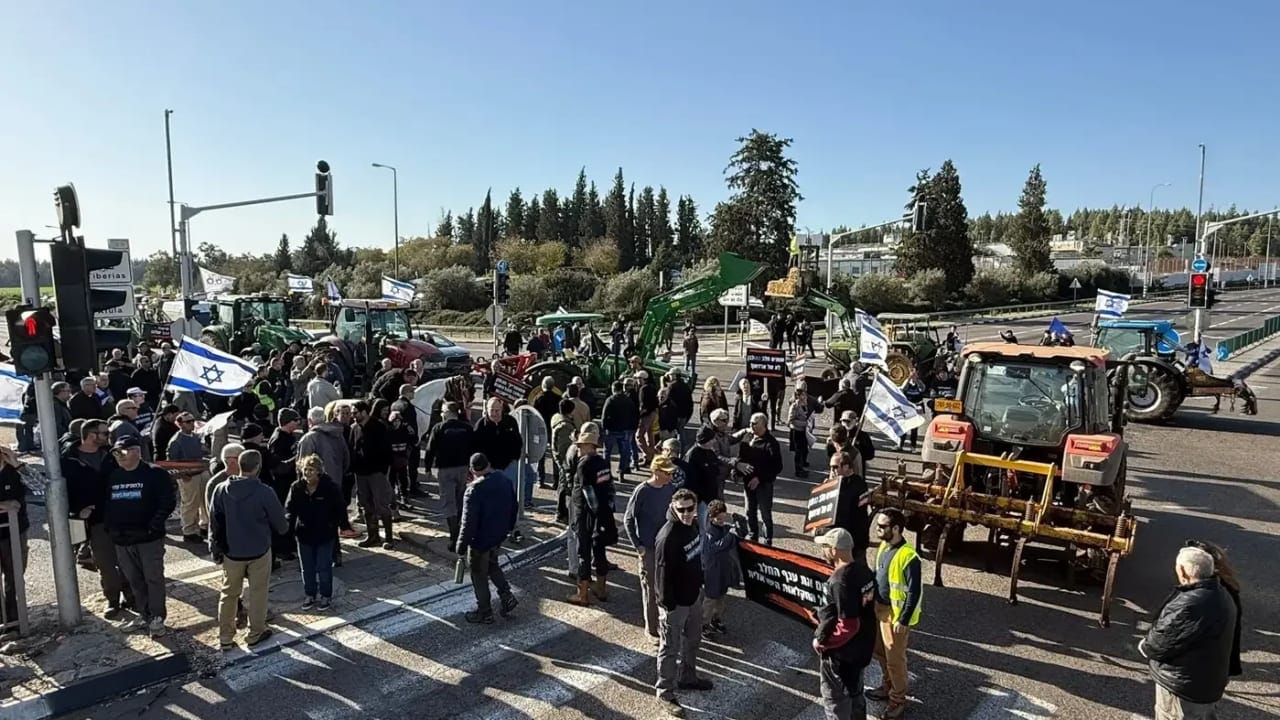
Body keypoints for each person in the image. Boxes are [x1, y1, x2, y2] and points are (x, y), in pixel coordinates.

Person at [1139, 545, 1237, 720]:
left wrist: (1145, 646)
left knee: (1172, 715)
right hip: (1208, 683)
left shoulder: (1189, 605)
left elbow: (1160, 642)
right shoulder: (1222, 594)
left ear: (1182, 572)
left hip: (1183, 685)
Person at [210, 449, 288, 650]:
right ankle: (255, 632)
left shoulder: (220, 490)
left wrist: (215, 548)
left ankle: (225, 637)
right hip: (259, 549)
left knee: (228, 594)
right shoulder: (264, 492)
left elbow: (214, 523)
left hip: (231, 551)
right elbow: (282, 525)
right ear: (258, 467)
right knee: (258, 592)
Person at [103, 436, 176, 637]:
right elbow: (108, 505)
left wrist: (154, 525)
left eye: (123, 451)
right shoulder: (115, 476)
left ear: (136, 451)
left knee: (153, 579)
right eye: (115, 452)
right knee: (135, 580)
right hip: (123, 539)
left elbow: (167, 501)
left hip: (148, 539)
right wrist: (111, 529)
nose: (119, 456)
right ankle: (145, 616)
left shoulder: (155, 474)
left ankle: (157, 618)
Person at [63, 420, 133, 617]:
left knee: (127, 559)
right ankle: (112, 600)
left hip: (120, 516)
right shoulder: (69, 460)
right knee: (105, 563)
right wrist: (78, 510)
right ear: (92, 436)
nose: (108, 437)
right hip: (95, 521)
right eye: (104, 434)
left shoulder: (112, 456)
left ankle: (132, 596)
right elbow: (64, 492)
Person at [654, 488, 713, 717]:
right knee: (669, 648)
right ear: (673, 507)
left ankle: (688, 677)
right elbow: (661, 576)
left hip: (694, 596)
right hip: (675, 603)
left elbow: (696, 557)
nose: (687, 513)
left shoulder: (693, 526)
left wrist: (700, 585)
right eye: (681, 509)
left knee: (693, 640)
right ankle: (665, 692)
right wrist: (667, 606)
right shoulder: (667, 536)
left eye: (690, 508)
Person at [814, 527, 877, 720]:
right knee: (856, 693)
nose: (823, 550)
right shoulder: (863, 570)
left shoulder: (840, 582)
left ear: (834, 550)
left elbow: (849, 625)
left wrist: (824, 643)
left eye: (825, 546)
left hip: (842, 654)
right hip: (862, 648)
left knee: (836, 701)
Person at [866, 509, 922, 719]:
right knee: (881, 653)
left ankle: (897, 701)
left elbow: (913, 591)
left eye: (882, 526)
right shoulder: (884, 546)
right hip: (879, 609)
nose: (877, 529)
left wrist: (903, 619)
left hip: (894, 615)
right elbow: (878, 574)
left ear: (896, 528)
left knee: (895, 660)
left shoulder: (909, 557)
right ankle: (887, 687)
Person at [457, 453, 519, 624]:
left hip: (480, 540)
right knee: (493, 565)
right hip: (498, 536)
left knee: (478, 574)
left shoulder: (473, 490)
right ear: (489, 464)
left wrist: (461, 547)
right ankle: (507, 596)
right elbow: (514, 507)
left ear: (472, 470)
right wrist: (509, 528)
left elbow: (467, 523)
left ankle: (485, 612)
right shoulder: (504, 481)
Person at [624, 455, 679, 640]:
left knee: (667, 586)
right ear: (656, 472)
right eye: (667, 473)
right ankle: (652, 629)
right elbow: (628, 520)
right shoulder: (642, 491)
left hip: (666, 546)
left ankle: (665, 625)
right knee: (651, 588)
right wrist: (637, 546)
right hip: (648, 548)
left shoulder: (670, 488)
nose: (671, 476)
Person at [285, 454, 345, 611]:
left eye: (311, 470)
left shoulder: (330, 488)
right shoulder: (296, 487)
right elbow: (290, 510)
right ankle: (310, 594)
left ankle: (326, 595)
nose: (307, 473)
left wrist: (337, 525)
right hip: (304, 534)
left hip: (325, 533)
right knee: (307, 567)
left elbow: (339, 509)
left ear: (319, 471)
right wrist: (287, 529)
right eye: (305, 469)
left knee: (324, 566)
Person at [566, 429, 617, 606]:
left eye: (581, 445)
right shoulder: (603, 462)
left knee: (583, 552)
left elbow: (588, 493)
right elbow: (610, 488)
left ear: (589, 446)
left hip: (586, 514)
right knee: (600, 549)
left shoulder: (584, 464)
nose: (578, 448)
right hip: (603, 513)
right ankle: (601, 588)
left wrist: (594, 514)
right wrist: (606, 512)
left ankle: (582, 594)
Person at [422, 401, 475, 551]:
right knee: (460, 500)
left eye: (442, 412)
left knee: (448, 502)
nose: (440, 414)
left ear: (446, 413)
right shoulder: (466, 428)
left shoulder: (439, 427)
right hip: (463, 468)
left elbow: (430, 448)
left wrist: (427, 467)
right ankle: (460, 531)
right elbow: (474, 446)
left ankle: (454, 536)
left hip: (445, 470)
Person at [353, 400, 396, 550]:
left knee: (381, 504)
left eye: (355, 413)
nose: (353, 416)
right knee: (365, 504)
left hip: (376, 472)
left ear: (364, 412)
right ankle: (373, 535)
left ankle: (389, 537)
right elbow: (353, 448)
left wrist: (384, 470)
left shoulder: (378, 427)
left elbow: (387, 450)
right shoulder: (355, 429)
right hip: (361, 473)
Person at [737, 413, 782, 545]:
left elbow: (777, 466)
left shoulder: (771, 443)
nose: (751, 425)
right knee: (749, 512)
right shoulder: (747, 438)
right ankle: (753, 536)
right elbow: (741, 458)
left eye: (754, 423)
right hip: (748, 483)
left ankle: (767, 540)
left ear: (763, 425)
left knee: (765, 513)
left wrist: (760, 478)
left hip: (763, 484)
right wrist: (738, 470)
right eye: (750, 422)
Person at [166, 412, 210, 543]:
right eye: (188, 421)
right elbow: (172, 463)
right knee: (190, 504)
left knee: (205, 501)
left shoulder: (196, 436)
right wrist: (182, 476)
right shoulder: (176, 441)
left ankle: (204, 525)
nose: (192, 423)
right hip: (188, 476)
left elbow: (202, 451)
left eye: (192, 420)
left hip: (201, 471)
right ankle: (189, 530)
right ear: (179, 424)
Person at [700, 499, 740, 638]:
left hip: (724, 569)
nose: (722, 520)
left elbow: (738, 537)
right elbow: (713, 549)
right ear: (712, 517)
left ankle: (716, 619)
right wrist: (730, 536)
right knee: (710, 599)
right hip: (713, 571)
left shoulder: (725, 528)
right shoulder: (709, 533)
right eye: (719, 518)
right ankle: (703, 624)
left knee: (721, 598)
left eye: (724, 517)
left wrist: (740, 524)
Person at [1, 447, 31, 626]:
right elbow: (11, 504)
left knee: (14, 578)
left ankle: (15, 621)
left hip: (15, 532)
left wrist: (18, 465)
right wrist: (4, 505)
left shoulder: (16, 470)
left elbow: (42, 488)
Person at [830, 452, 872, 557]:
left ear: (846, 467)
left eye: (835, 467)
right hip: (842, 539)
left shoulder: (857, 485)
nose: (832, 471)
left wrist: (831, 489)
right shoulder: (842, 483)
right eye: (831, 467)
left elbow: (842, 509)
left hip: (853, 540)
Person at [600, 381, 637, 479]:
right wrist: (633, 427)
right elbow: (634, 414)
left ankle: (607, 472)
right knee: (624, 452)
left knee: (607, 452)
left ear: (613, 389)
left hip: (611, 429)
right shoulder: (628, 400)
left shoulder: (610, 400)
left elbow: (604, 415)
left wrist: (604, 428)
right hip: (624, 429)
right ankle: (622, 472)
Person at [549, 399, 578, 522]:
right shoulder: (565, 426)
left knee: (563, 485)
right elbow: (564, 448)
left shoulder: (557, 419)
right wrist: (567, 463)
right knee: (564, 486)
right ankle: (561, 512)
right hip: (565, 461)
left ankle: (562, 511)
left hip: (560, 459)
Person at [787, 385, 814, 476]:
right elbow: (791, 420)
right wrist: (803, 424)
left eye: (804, 395)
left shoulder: (805, 404)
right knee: (798, 451)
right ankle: (798, 470)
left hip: (804, 431)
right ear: (798, 396)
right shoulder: (795, 406)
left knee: (804, 449)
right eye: (802, 395)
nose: (804, 396)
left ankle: (802, 466)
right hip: (797, 431)